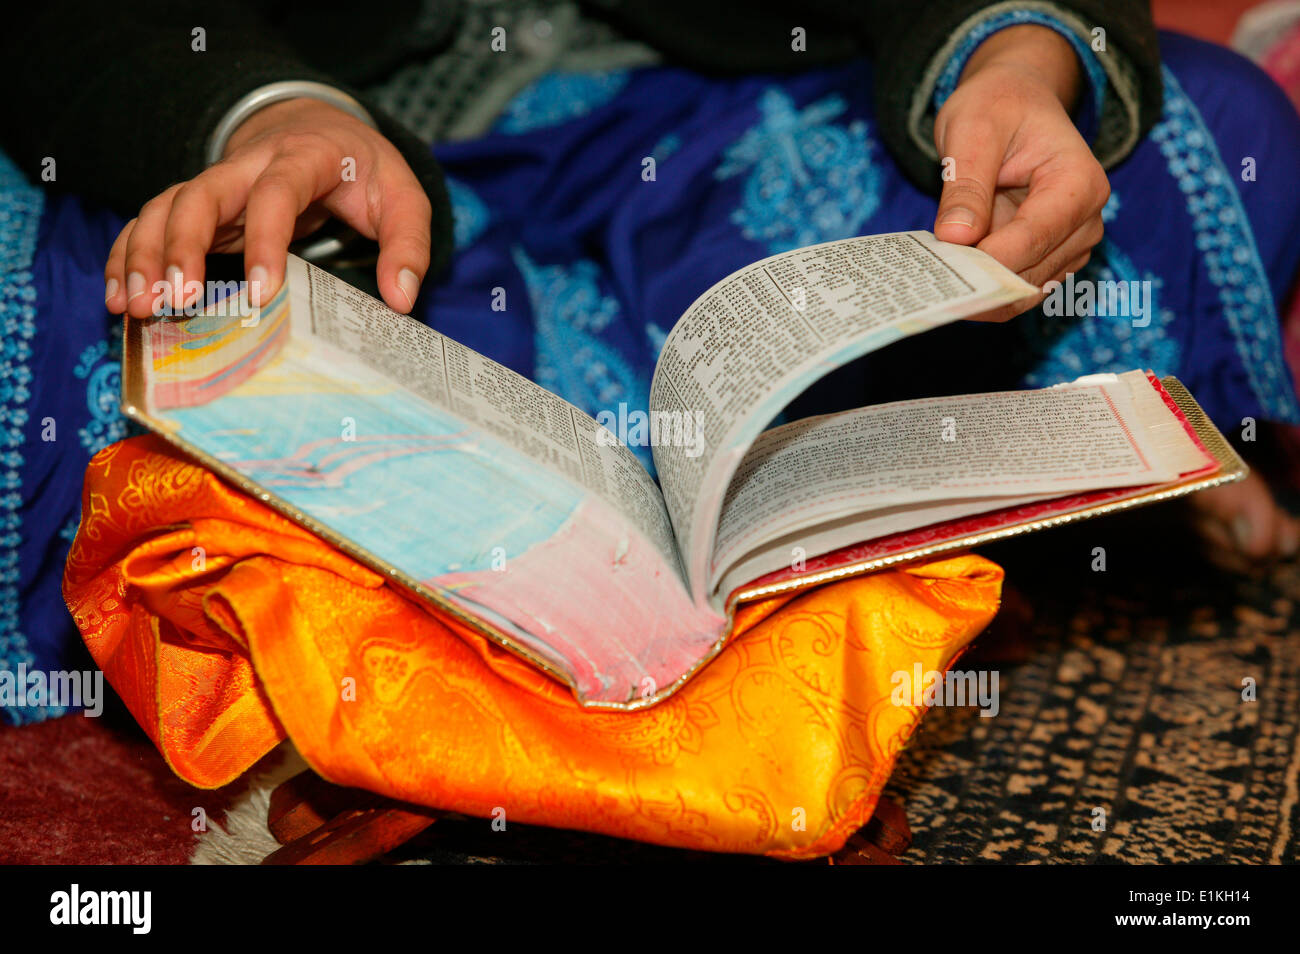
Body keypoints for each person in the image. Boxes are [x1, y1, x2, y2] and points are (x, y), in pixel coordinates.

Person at [1, 0, 1298, 721]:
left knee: (1201, 131)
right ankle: (987, 497)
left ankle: (419, 569)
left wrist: (1010, 58)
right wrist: (267, 115)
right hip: (324, 150)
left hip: (716, 110)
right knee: (70, 289)